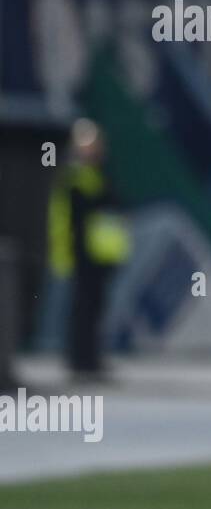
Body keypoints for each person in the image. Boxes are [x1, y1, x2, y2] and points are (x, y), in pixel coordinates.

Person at [47, 118, 131, 383]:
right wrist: (63, 253)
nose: (93, 150)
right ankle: (79, 360)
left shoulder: (100, 173)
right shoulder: (74, 178)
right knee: (82, 309)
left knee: (95, 308)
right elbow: (62, 217)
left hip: (100, 254)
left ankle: (91, 359)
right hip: (82, 254)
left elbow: (113, 209)